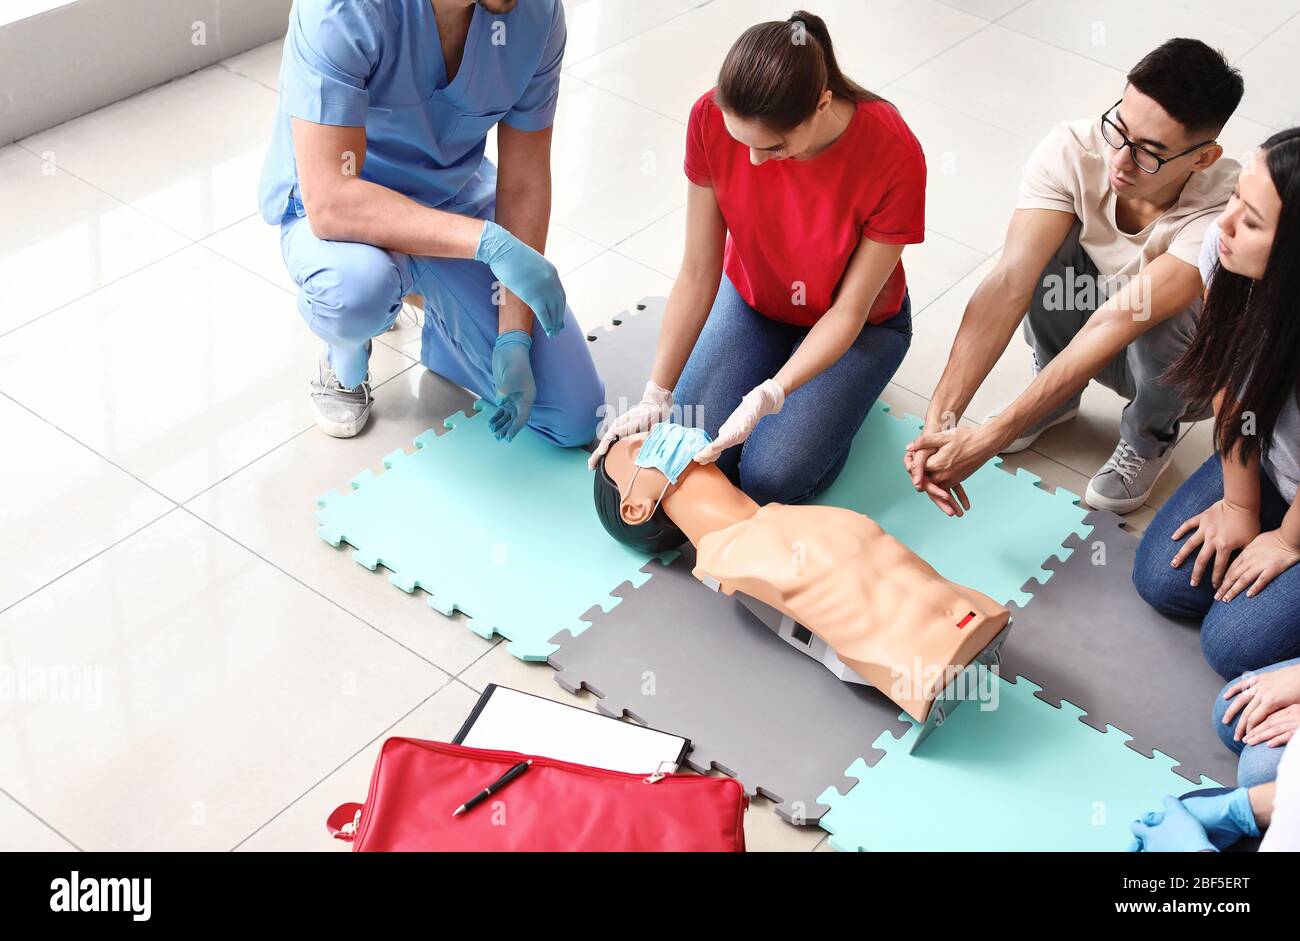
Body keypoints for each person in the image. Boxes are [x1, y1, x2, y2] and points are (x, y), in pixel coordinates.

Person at [589, 11, 926, 506]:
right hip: (758, 303)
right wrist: (655, 394)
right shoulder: (709, 117)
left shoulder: (893, 153)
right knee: (690, 450)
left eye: (772, 147)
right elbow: (699, 270)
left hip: (861, 325)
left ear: (822, 105)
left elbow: (850, 310)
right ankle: (790, 376)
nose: (752, 161)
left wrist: (776, 391)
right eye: (740, 142)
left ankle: (843, 400)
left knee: (770, 478)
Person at [906, 39, 1243, 516]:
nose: (1121, 161)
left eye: (1150, 153)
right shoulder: (1073, 149)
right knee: (1037, 247)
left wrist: (988, 439)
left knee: (1175, 304)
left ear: (1202, 158)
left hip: (1176, 373)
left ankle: (1150, 437)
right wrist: (940, 418)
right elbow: (1008, 284)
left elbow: (1119, 321)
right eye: (1119, 130)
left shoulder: (1223, 208)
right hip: (1088, 327)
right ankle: (1052, 399)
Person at [258, 0, 603, 444]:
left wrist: (513, 336)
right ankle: (345, 349)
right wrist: (488, 243)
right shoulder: (344, 11)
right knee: (356, 292)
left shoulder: (534, 14)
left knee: (573, 416)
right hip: (345, 212)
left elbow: (524, 183)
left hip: (450, 198)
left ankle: (443, 324)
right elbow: (331, 199)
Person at [1132, 128, 1300, 680]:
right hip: (1276, 464)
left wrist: (1284, 540)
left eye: (1252, 222)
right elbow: (1230, 382)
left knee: (1234, 646)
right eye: (1234, 201)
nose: (1224, 226)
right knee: (1160, 578)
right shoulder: (1224, 252)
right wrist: (1241, 507)